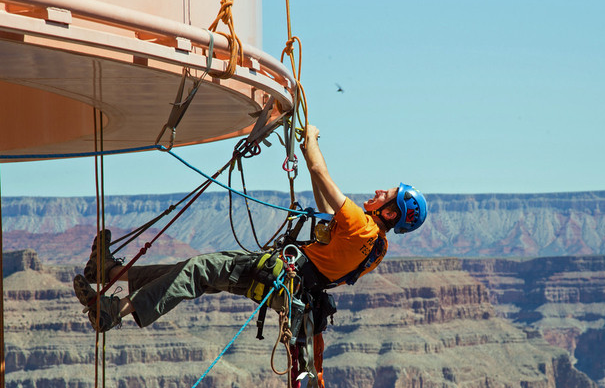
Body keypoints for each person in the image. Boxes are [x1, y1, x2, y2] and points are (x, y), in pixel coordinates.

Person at [72, 124, 427, 333]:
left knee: (199, 269)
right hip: (284, 284)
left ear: (392, 213)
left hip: (279, 275)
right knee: (189, 273)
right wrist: (306, 152)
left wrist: (313, 141)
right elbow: (324, 210)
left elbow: (322, 178)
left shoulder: (362, 226)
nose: (379, 191)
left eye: (387, 194)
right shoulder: (375, 245)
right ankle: (110, 272)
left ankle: (113, 312)